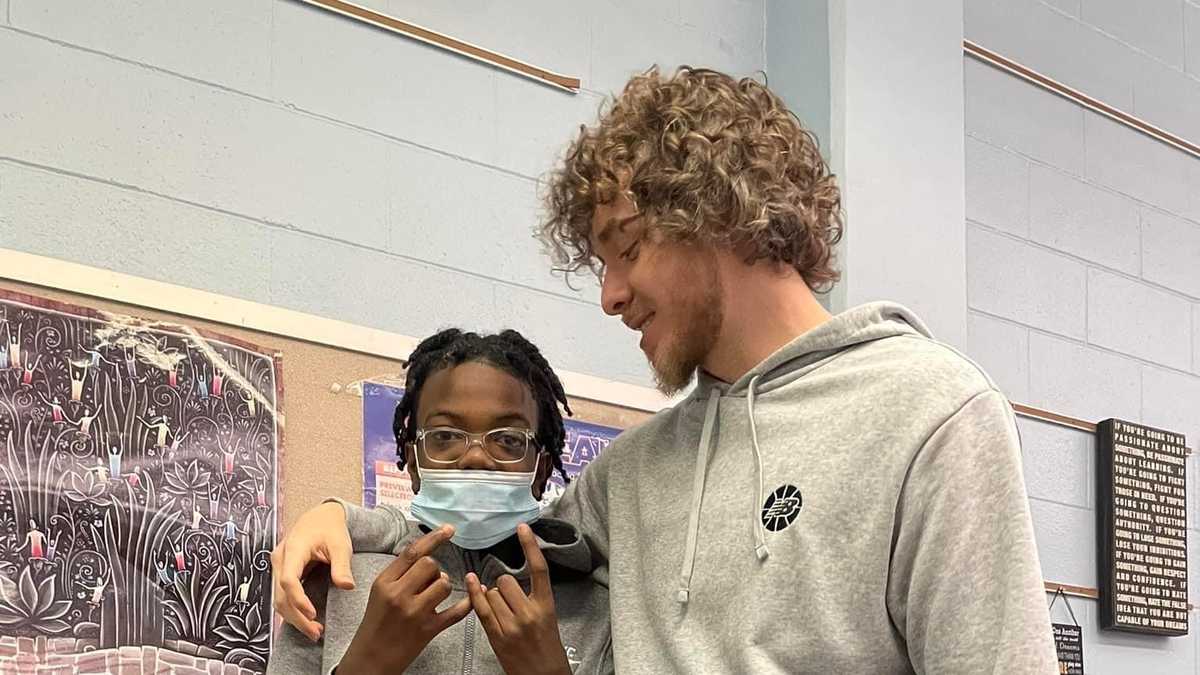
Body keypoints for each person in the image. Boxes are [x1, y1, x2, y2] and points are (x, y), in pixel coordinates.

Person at [272, 67, 1056, 672]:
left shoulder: (933, 414)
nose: (611, 295)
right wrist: (338, 517)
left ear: (715, 211)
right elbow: (480, 525)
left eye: (628, 247)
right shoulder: (635, 473)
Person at [267, 329, 611, 675]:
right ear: (413, 464)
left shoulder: (599, 608)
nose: (476, 457)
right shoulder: (338, 579)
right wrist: (365, 666)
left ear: (541, 471)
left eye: (508, 439)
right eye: (445, 436)